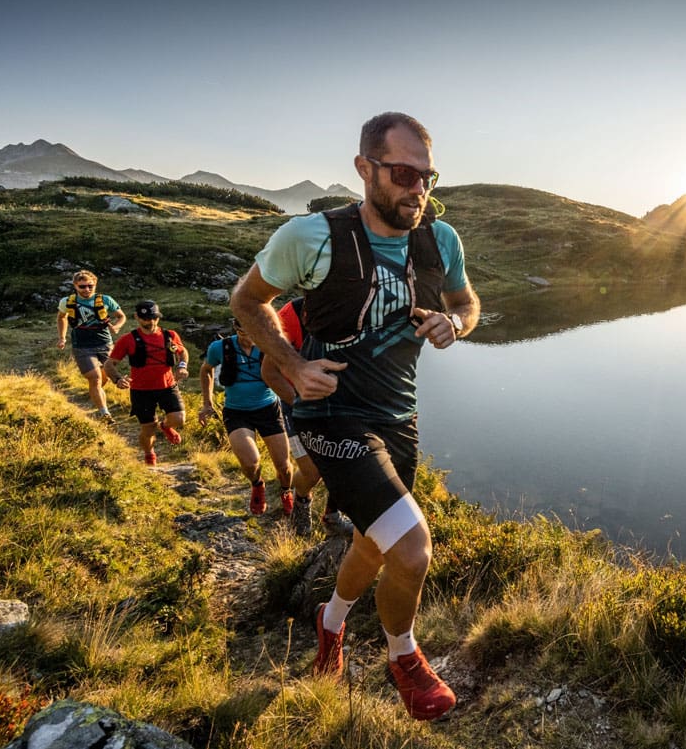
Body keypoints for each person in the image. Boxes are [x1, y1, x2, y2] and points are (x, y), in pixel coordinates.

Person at [230, 112, 479, 721]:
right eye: (402, 174)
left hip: (398, 414)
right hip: (330, 412)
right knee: (414, 548)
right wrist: (290, 363)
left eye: (426, 176)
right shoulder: (310, 236)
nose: (417, 189)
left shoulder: (440, 241)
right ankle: (405, 657)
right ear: (365, 168)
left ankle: (330, 622)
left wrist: (457, 323)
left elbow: (466, 301)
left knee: (372, 540)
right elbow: (247, 299)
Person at [260, 297, 352, 537]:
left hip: (340, 401)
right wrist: (299, 402)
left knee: (348, 461)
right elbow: (269, 372)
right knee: (312, 472)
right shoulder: (292, 315)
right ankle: (301, 501)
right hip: (297, 402)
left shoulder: (360, 311)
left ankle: (332, 515)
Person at [198, 319, 294, 516]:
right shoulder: (220, 348)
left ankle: (286, 492)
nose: (249, 338)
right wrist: (207, 403)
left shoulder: (269, 346)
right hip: (236, 412)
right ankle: (257, 484)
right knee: (251, 462)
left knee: (284, 467)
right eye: (244, 333)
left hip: (269, 409)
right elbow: (206, 369)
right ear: (236, 328)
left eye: (254, 333)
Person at [104, 300, 189, 465]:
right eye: (145, 318)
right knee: (148, 428)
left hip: (167, 386)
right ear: (136, 317)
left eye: (154, 318)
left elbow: (182, 351)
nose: (150, 321)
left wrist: (182, 366)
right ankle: (149, 455)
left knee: (179, 419)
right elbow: (109, 364)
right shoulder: (127, 340)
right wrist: (118, 379)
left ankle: (165, 426)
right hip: (141, 390)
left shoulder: (170, 335)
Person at [56, 269, 127, 421]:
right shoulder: (67, 302)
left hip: (105, 343)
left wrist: (117, 326)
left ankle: (97, 394)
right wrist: (62, 337)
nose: (87, 289)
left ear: (95, 284)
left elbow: (121, 316)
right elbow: (61, 317)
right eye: (82, 286)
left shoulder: (106, 300)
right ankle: (104, 413)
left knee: (104, 378)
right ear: (75, 286)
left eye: (90, 286)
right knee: (94, 378)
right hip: (81, 346)